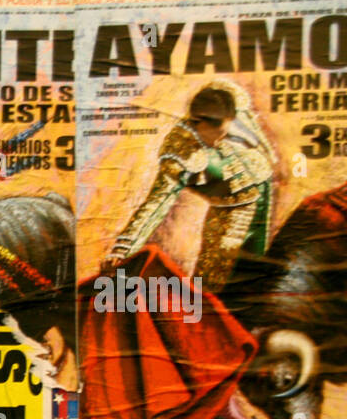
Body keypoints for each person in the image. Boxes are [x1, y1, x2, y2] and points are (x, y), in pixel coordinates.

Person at [102, 81, 276, 294]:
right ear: (198, 123)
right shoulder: (182, 151)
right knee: (214, 284)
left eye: (225, 130)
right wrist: (123, 249)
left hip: (262, 195)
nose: (221, 139)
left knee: (255, 276)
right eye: (217, 132)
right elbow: (156, 204)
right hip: (230, 212)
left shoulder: (227, 104)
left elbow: (235, 101)